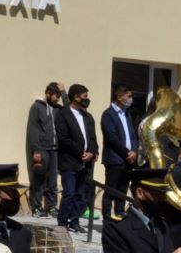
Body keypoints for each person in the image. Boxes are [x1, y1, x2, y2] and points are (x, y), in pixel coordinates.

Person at [55, 83, 98, 232]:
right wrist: (81, 152)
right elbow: (63, 138)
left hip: (85, 163)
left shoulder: (88, 116)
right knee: (70, 193)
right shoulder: (63, 114)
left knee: (81, 195)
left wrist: (92, 152)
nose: (87, 99)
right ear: (76, 97)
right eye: (85, 96)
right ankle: (62, 222)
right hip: (69, 161)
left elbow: (93, 139)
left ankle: (75, 221)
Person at [100, 84, 141, 219]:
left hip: (128, 160)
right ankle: (107, 216)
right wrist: (126, 153)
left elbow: (133, 135)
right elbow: (112, 138)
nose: (131, 99)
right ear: (119, 96)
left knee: (122, 189)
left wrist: (134, 151)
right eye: (128, 96)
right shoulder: (108, 115)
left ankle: (120, 213)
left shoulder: (127, 114)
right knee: (111, 189)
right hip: (115, 159)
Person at [25, 82, 61, 220]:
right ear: (47, 93)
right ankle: (37, 207)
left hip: (54, 150)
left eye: (59, 96)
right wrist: (36, 150)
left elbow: (69, 112)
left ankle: (52, 206)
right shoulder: (36, 107)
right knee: (39, 178)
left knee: (52, 180)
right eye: (56, 96)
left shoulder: (58, 109)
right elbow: (32, 129)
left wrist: (64, 92)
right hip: (42, 149)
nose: (58, 99)